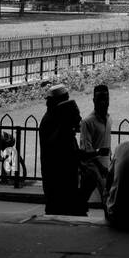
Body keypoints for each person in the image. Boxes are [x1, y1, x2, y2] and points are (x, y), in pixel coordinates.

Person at [39, 83, 86, 215]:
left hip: (66, 171)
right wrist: (65, 125)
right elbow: (52, 145)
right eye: (64, 98)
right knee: (55, 207)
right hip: (55, 173)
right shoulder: (49, 120)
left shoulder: (58, 116)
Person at [79, 83, 112, 204]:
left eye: (106, 98)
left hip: (105, 165)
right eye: (100, 99)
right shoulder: (87, 122)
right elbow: (87, 148)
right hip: (93, 168)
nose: (103, 102)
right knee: (103, 198)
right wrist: (101, 167)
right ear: (94, 100)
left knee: (106, 198)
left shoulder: (109, 119)